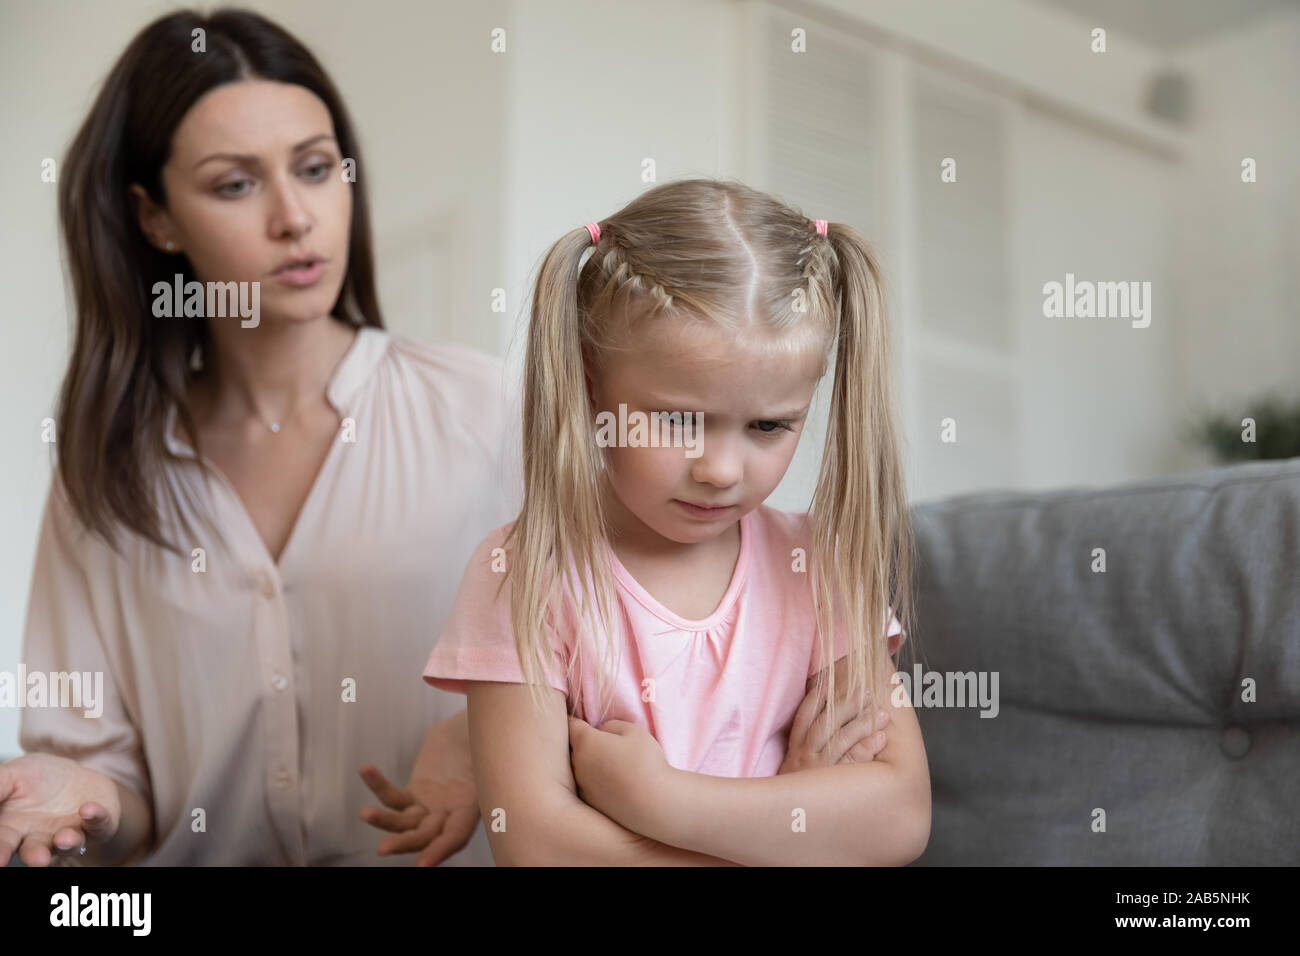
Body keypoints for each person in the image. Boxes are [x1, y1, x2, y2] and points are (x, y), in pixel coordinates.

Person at [0, 7, 515, 867]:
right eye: (236, 185)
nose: (294, 217)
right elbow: (115, 791)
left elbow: (617, 674)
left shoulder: (493, 411)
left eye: (315, 169)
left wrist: (482, 732)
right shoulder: (105, 476)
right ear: (155, 219)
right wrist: (80, 796)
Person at [422, 179, 930, 865]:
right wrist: (793, 827)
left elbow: (899, 817)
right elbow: (539, 850)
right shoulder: (525, 572)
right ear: (590, 384)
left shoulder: (820, 567)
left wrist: (663, 801)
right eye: (678, 421)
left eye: (769, 426)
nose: (721, 469)